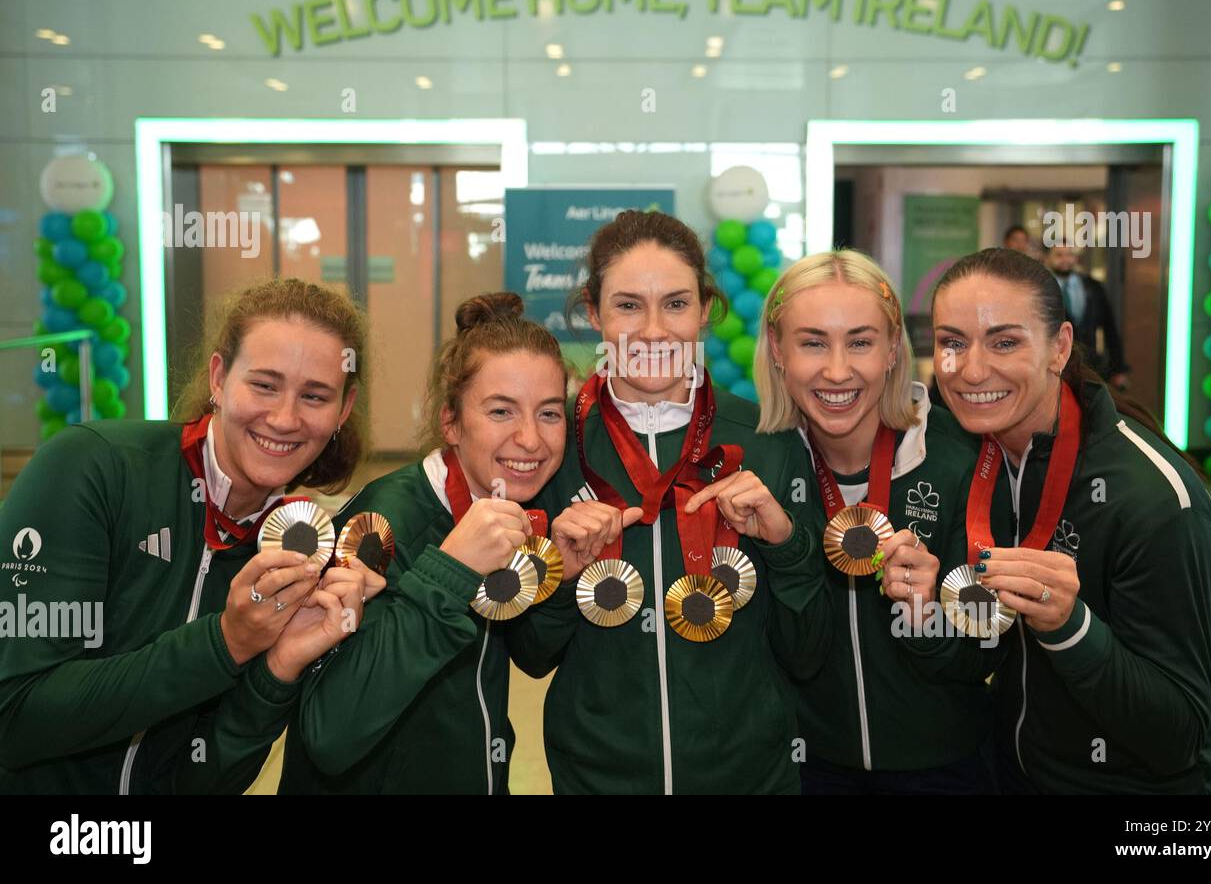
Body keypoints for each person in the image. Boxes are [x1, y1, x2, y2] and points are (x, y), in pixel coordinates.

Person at [0, 278, 381, 793]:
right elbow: (16, 717)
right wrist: (225, 641)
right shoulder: (92, 468)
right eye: (264, 384)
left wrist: (278, 668)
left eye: (315, 396)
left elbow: (206, 779)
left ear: (342, 410)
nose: (286, 418)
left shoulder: (296, 549)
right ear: (219, 379)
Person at [510, 209, 828, 794]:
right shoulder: (554, 445)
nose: (654, 331)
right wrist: (556, 577)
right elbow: (532, 654)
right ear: (592, 312)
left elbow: (807, 653)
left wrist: (786, 547)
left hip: (748, 774)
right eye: (628, 305)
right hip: (598, 774)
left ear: (705, 310)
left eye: (676, 304)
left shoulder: (768, 438)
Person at [930, 247, 1211, 794]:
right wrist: (927, 601)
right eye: (952, 342)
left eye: (1005, 342)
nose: (971, 369)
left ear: (1060, 347)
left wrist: (1071, 628)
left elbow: (1178, 734)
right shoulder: (979, 459)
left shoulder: (1153, 499)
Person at [280, 292, 573, 794]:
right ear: (451, 422)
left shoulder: (501, 506)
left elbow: (532, 654)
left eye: (549, 413)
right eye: (501, 412)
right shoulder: (382, 525)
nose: (531, 439)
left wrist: (562, 578)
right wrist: (450, 572)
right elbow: (329, 731)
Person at [756, 249, 994, 793]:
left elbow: (988, 652)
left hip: (948, 769)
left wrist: (929, 615)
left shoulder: (962, 461)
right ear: (777, 349)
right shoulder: (762, 472)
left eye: (860, 342)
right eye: (812, 342)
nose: (837, 370)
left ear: (891, 349)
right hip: (806, 769)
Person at [1044, 241, 1130, 388]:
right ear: (1048, 258)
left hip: (1091, 366)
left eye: (1069, 254)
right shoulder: (1041, 289)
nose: (1065, 259)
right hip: (1054, 367)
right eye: (1059, 255)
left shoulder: (1093, 287)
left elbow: (1110, 329)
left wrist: (1119, 368)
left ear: (1076, 258)